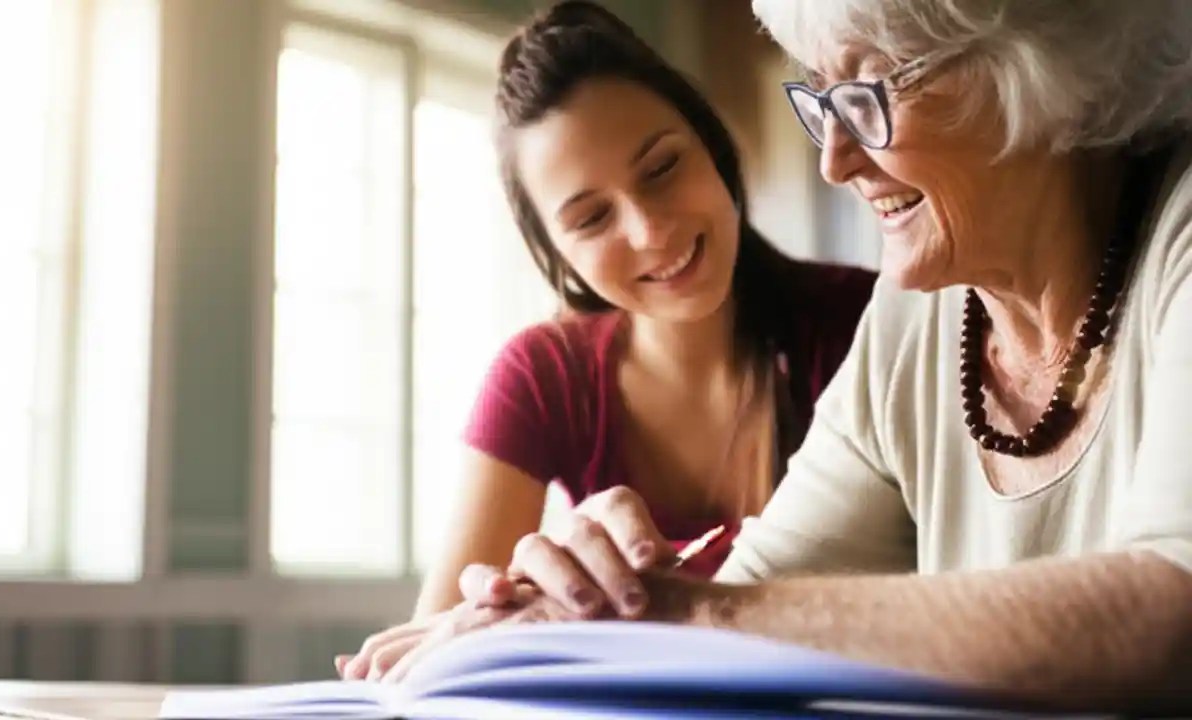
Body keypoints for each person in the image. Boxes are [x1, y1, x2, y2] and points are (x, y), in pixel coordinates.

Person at [345, 0, 1192, 711]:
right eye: (822, 99)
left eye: (870, 91)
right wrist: (580, 609)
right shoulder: (913, 317)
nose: (836, 159)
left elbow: (1172, 614)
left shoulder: (1175, 238)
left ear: (1033, 62)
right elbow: (749, 595)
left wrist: (666, 616)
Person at [336, 0, 876, 678]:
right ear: (555, 253)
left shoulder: (868, 323)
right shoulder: (541, 374)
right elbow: (441, 638)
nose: (650, 232)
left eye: (662, 169)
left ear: (712, 148)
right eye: (591, 218)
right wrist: (515, 601)